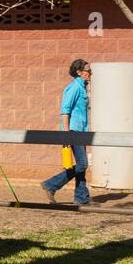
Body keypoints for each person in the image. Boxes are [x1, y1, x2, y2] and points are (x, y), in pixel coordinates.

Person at [42, 59, 93, 206]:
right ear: (79, 72)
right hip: (73, 131)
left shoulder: (82, 87)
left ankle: (81, 198)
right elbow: (65, 111)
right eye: (88, 70)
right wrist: (67, 134)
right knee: (82, 164)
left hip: (80, 131)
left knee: (81, 165)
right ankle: (51, 184)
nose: (90, 73)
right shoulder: (74, 88)